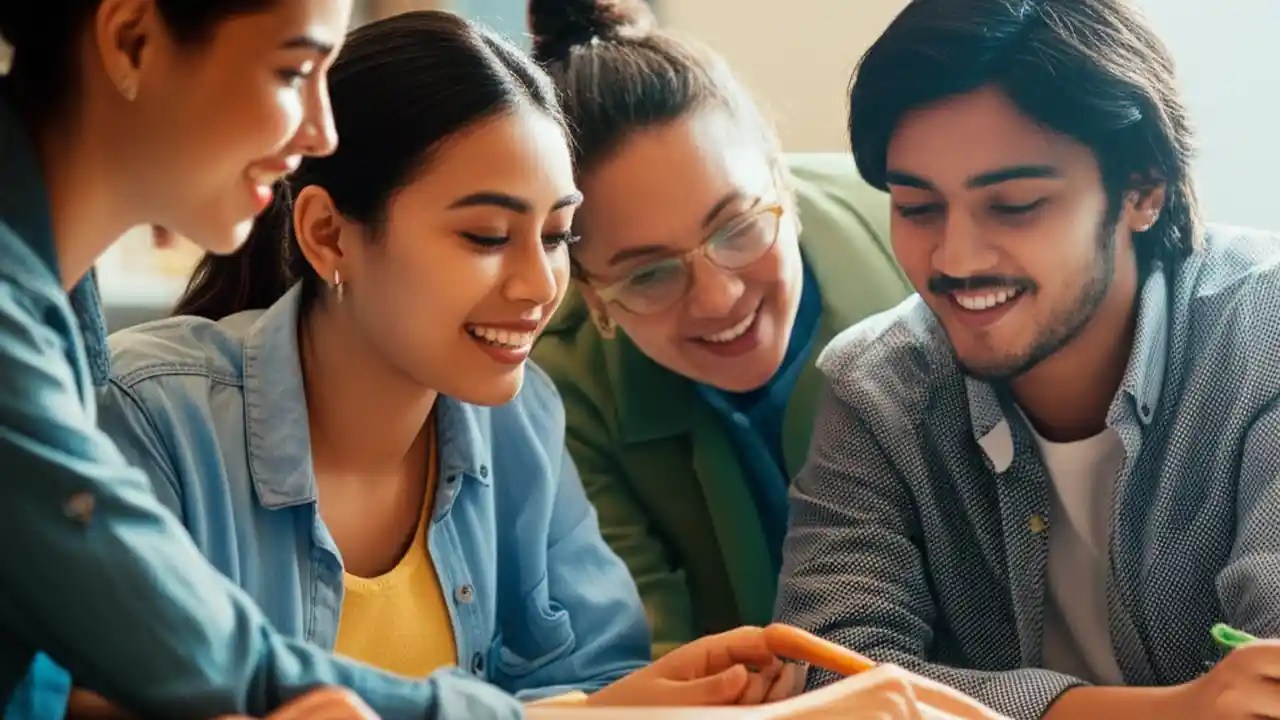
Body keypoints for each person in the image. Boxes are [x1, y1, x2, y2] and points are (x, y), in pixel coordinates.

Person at [92, 9, 810, 715]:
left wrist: (645, 705)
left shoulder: (522, 421)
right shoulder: (147, 420)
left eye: (557, 235)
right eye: (487, 235)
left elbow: (594, 670)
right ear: (328, 236)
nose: (538, 286)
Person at [773, 1, 1280, 719]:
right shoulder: (876, 391)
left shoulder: (1266, 333)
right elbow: (827, 677)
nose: (955, 258)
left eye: (1014, 205)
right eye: (918, 208)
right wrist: (1172, 710)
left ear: (1143, 188)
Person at [0, 1, 482, 717]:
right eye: (293, 71)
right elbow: (206, 648)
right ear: (131, 40)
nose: (322, 130)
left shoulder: (60, 299)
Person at [525, 0, 912, 657]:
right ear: (590, 294)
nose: (719, 297)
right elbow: (643, 664)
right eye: (648, 275)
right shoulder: (554, 396)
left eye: (736, 228)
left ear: (779, 179)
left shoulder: (924, 238)